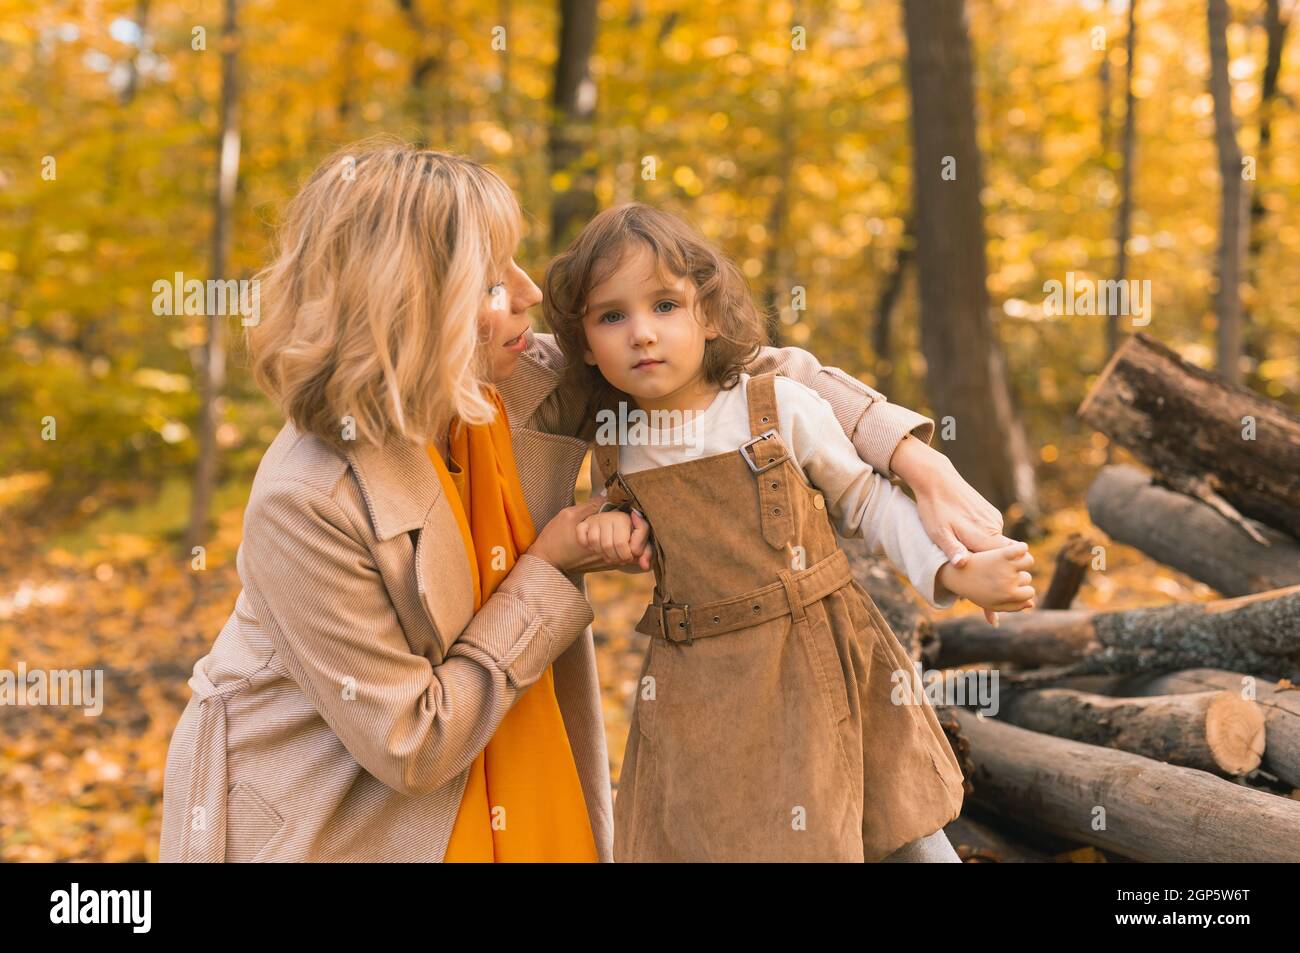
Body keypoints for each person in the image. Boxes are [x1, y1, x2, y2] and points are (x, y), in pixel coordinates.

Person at [159, 139, 1013, 862]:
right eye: (493, 283)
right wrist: (548, 566)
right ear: (416, 312)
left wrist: (913, 459)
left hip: (509, 764)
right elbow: (409, 742)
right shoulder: (306, 499)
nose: (532, 294)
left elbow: (749, 368)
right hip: (345, 815)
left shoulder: (513, 382)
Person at [543, 203, 1035, 861]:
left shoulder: (775, 407)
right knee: (727, 829)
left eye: (665, 305)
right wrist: (607, 526)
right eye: (612, 316)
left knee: (891, 815)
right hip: (701, 681)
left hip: (816, 650)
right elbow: (623, 524)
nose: (641, 333)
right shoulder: (620, 443)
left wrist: (952, 570)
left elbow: (865, 499)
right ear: (584, 341)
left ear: (710, 314)